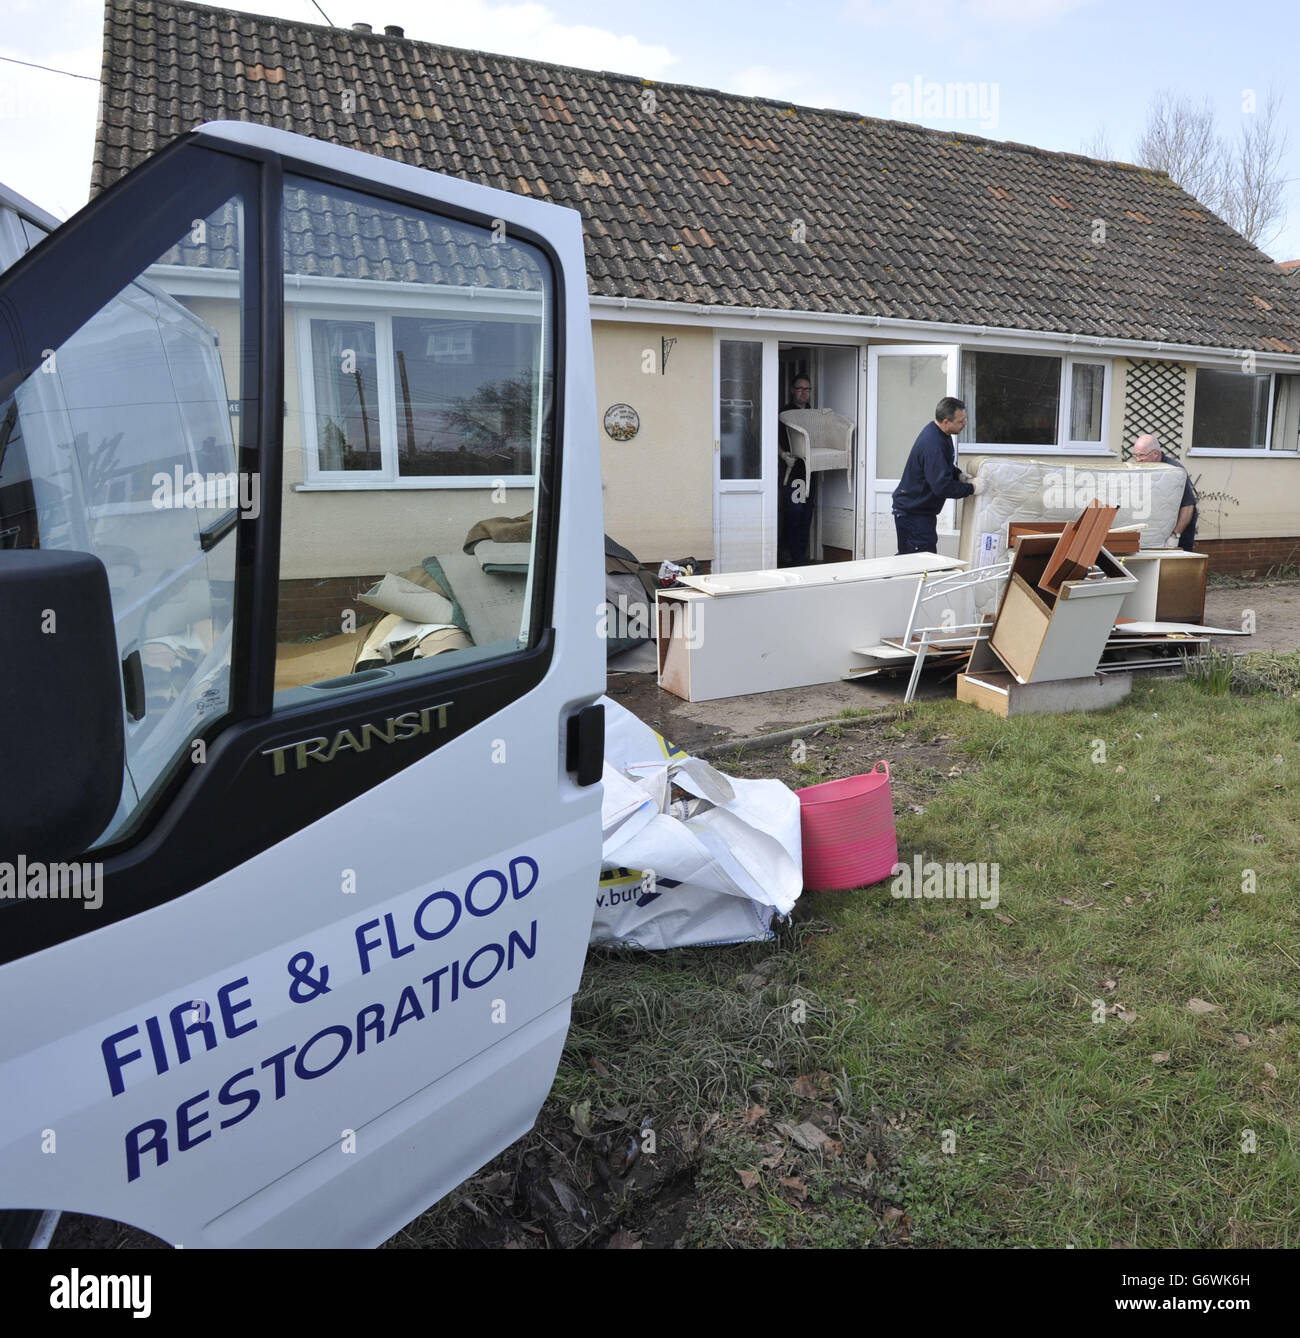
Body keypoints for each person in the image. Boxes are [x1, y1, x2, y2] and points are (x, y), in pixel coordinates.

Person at [891, 397, 985, 555]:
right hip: (913, 514)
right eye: (961, 421)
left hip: (919, 511)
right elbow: (942, 487)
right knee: (919, 563)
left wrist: (959, 475)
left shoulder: (942, 435)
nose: (965, 424)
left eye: (965, 419)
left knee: (915, 560)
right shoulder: (933, 443)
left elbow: (943, 466)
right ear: (947, 421)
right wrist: (972, 488)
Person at [1132, 432, 1197, 550]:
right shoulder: (1142, 467)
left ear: (1156, 453)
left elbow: (1188, 506)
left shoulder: (1175, 471)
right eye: (1135, 455)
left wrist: (1175, 535)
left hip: (1178, 533)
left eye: (1141, 455)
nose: (1138, 460)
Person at [778, 375, 815, 567]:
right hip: (791, 470)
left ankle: (799, 556)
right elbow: (771, 436)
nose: (803, 392)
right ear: (792, 390)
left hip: (809, 471)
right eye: (799, 388)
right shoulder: (783, 413)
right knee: (793, 511)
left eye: (807, 389)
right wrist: (783, 455)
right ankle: (786, 551)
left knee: (806, 513)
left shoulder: (812, 414)